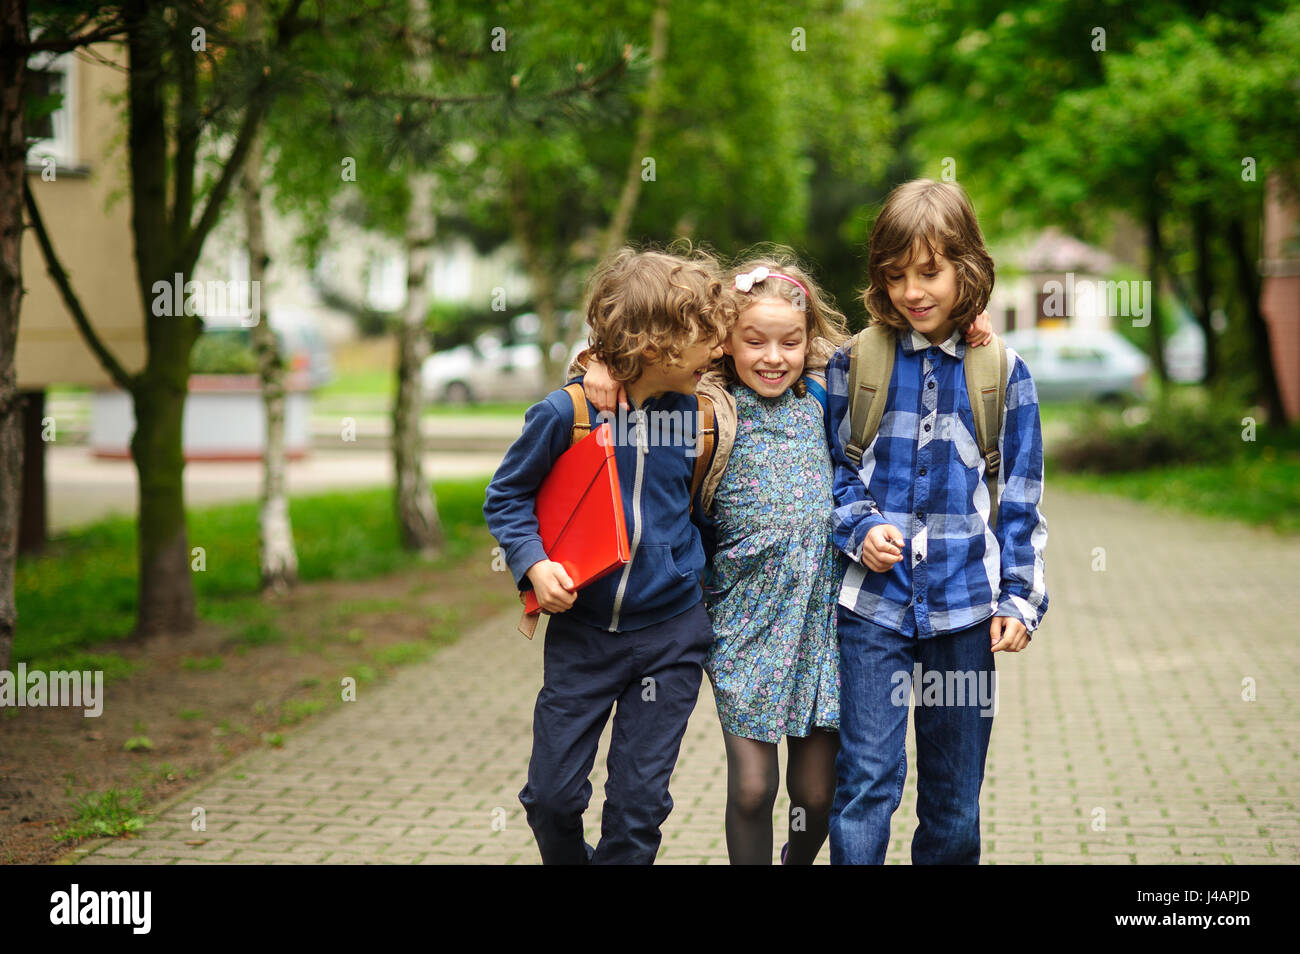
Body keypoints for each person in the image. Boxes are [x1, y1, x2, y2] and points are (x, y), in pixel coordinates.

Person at [580, 247, 993, 864]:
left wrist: (966, 321)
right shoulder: (706, 406)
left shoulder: (826, 392)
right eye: (753, 341)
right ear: (723, 342)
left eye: (789, 342)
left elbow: (884, 342)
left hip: (824, 621)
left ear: (807, 341)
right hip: (742, 620)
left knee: (817, 794)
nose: (773, 357)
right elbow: (649, 353)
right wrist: (593, 364)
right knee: (753, 787)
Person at [825, 179, 1049, 865]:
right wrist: (859, 526)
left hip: (965, 613)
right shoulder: (856, 363)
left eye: (929, 272)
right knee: (866, 785)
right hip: (871, 610)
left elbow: (1019, 499)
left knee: (953, 802)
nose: (912, 291)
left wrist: (1021, 597)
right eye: (895, 276)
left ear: (967, 269)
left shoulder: (1002, 373)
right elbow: (830, 473)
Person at [483, 246, 726, 865]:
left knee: (638, 812)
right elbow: (507, 496)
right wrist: (534, 565)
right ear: (657, 345)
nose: (718, 350)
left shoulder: (697, 414)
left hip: (671, 637)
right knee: (552, 800)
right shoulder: (569, 412)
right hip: (584, 637)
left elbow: (793, 350)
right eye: (704, 338)